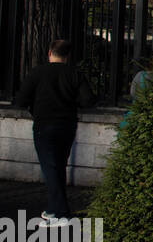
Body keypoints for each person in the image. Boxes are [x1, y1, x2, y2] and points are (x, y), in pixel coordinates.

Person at [14, 39, 96, 226]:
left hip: (44, 124)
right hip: (67, 125)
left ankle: (59, 211)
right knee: (58, 166)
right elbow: (87, 100)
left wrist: (35, 108)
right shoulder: (74, 74)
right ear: (67, 56)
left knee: (50, 168)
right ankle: (56, 209)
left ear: (50, 52)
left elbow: (20, 100)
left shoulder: (37, 73)